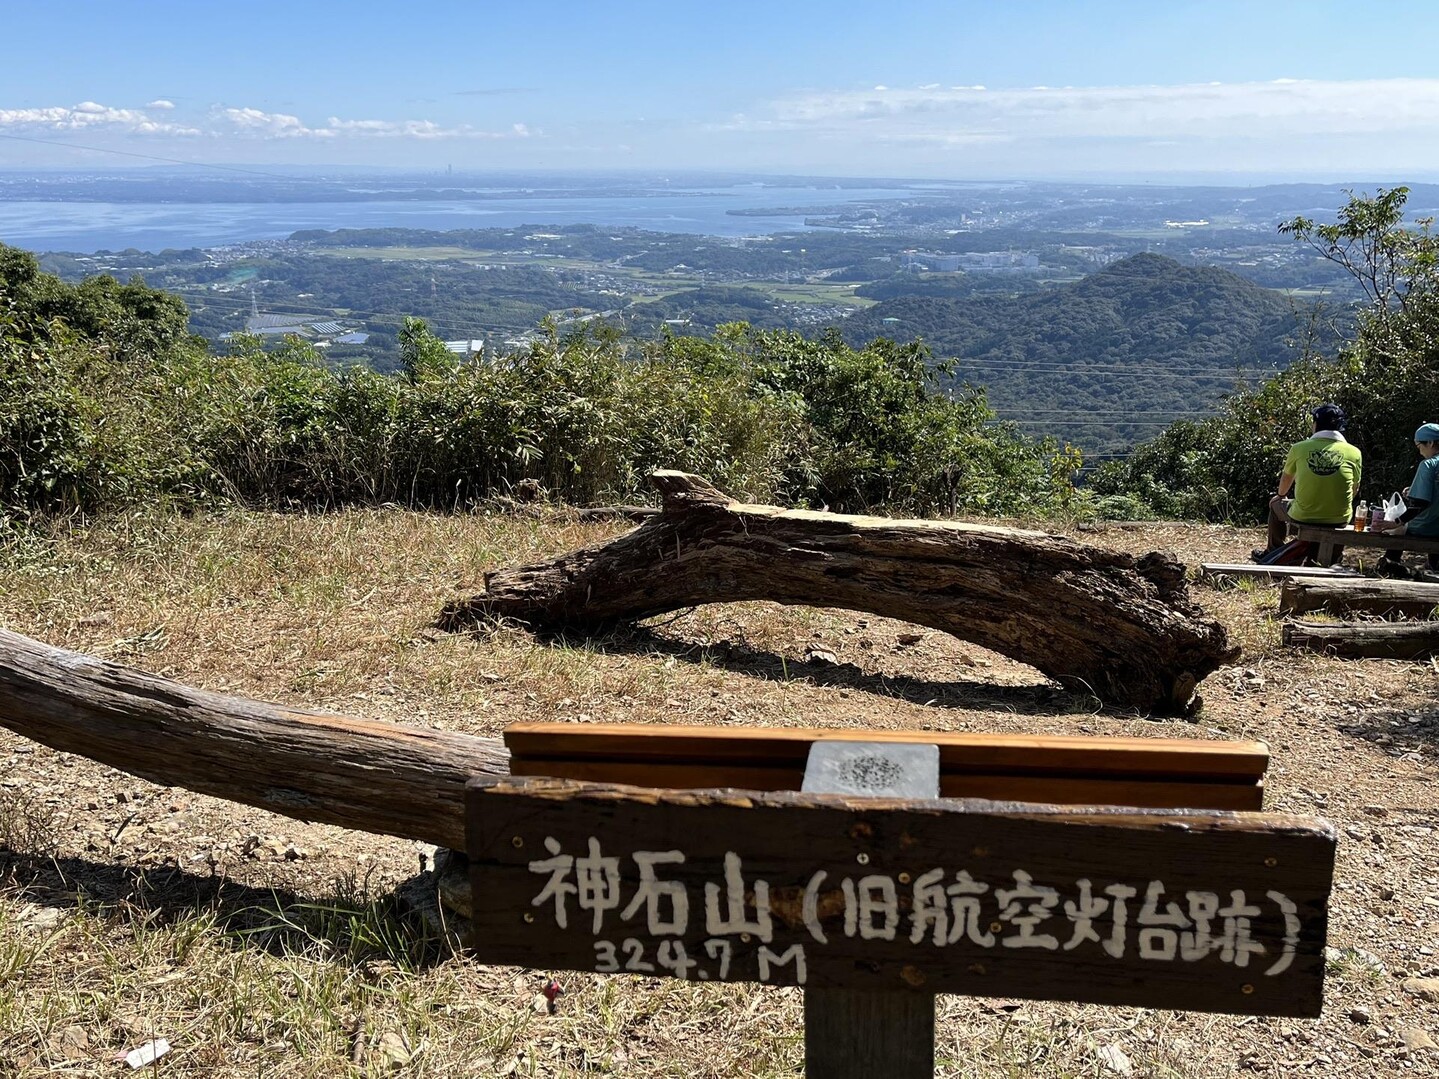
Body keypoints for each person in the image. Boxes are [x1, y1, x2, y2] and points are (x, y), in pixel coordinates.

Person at [1255, 403, 1363, 561]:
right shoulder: (1354, 452)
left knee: (1275, 504)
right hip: (1340, 518)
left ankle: (1273, 550)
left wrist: (1280, 495)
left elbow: (1286, 479)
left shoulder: (1299, 448)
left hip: (1304, 515)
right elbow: (1355, 488)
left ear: (1316, 424)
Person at [1372, 422, 1439, 572]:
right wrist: (1415, 490)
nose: (1420, 452)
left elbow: (1420, 503)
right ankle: (1434, 565)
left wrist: (1397, 522)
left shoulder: (1428, 465)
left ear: (1430, 443)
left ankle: (1390, 565)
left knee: (1399, 531)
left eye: (1419, 446)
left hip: (1425, 527)